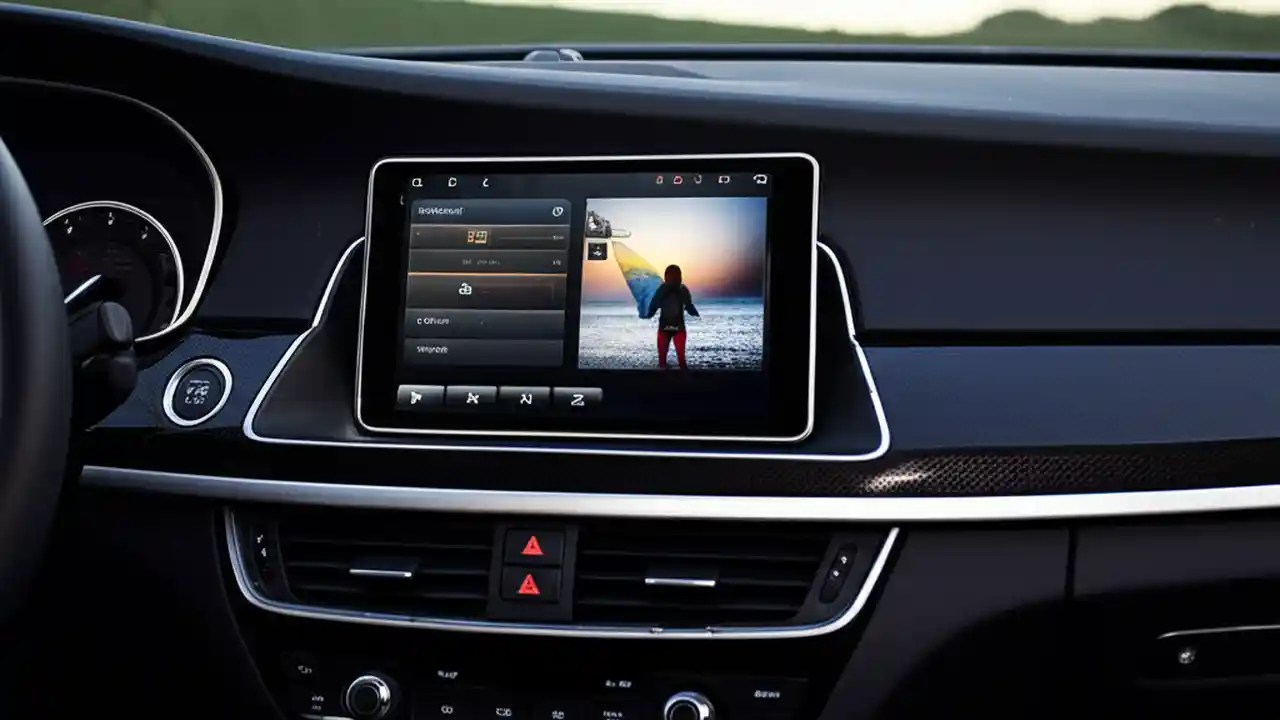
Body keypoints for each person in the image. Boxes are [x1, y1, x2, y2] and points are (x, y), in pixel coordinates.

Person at [644, 264, 699, 370]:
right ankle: (677, 380)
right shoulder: (676, 289)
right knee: (676, 360)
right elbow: (689, 306)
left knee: (669, 360)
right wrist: (695, 313)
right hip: (673, 327)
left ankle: (674, 379)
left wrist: (649, 314)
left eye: (675, 275)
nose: (673, 278)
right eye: (672, 275)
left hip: (669, 327)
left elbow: (654, 304)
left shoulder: (676, 289)